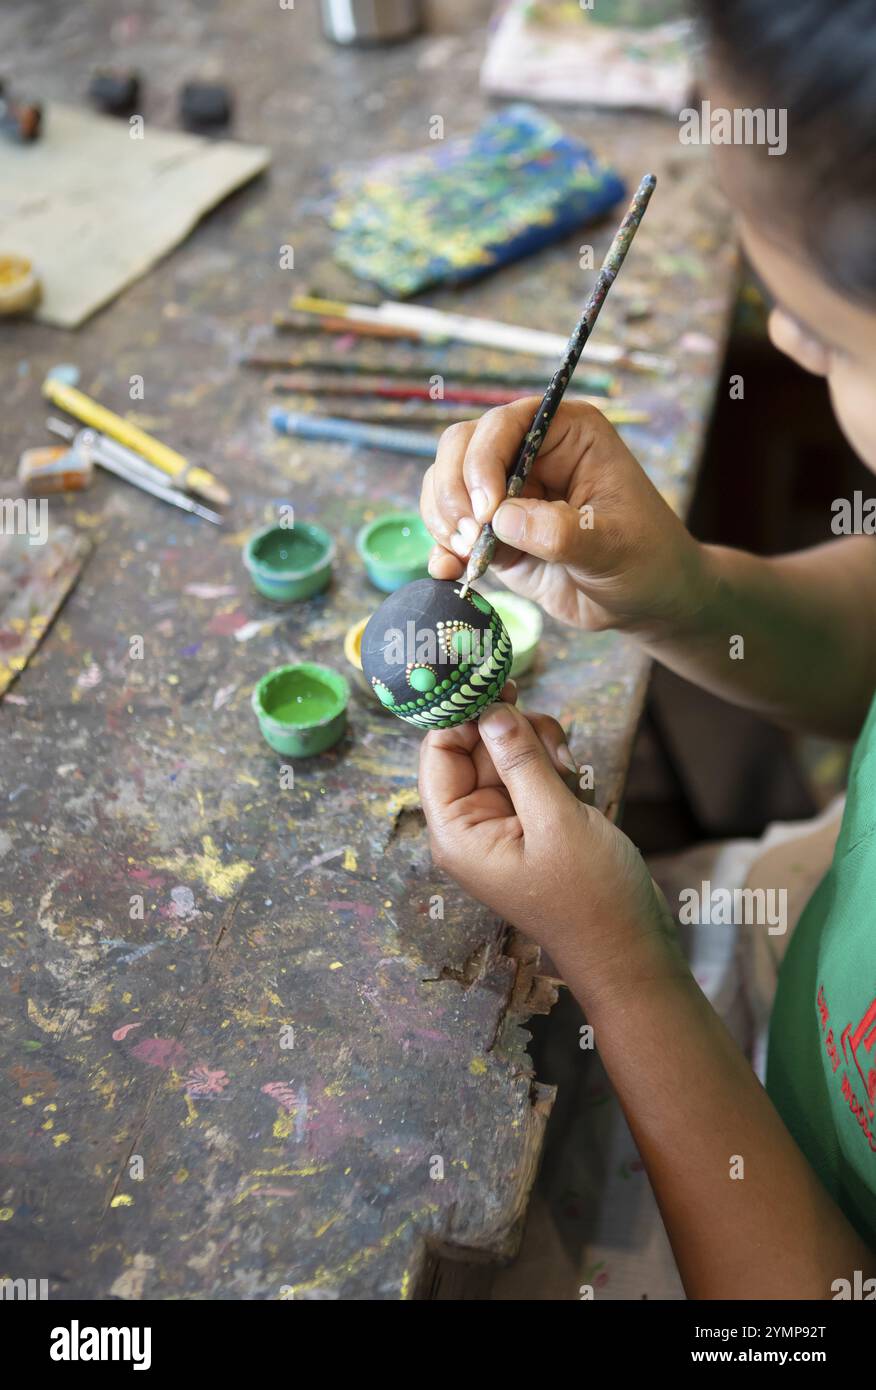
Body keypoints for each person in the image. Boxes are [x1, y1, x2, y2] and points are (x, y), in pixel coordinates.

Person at [417, 0, 876, 1297]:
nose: (781, 339)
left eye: (827, 331)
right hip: (808, 977)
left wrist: (623, 973)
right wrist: (673, 592)